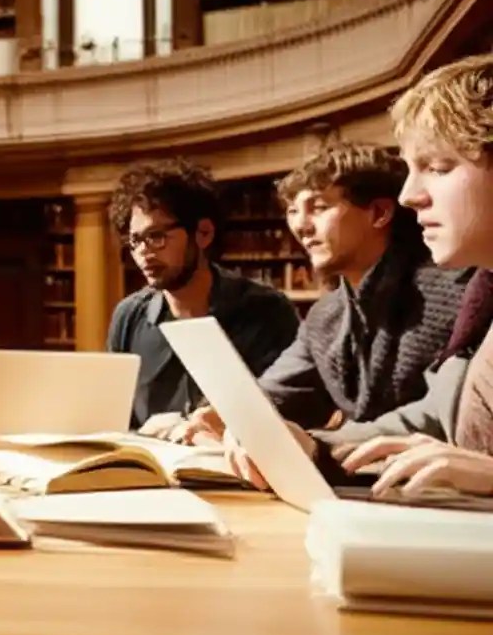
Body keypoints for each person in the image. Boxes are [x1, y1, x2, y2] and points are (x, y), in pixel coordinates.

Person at [225, 53, 493, 498]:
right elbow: (438, 418)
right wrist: (314, 448)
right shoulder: (483, 293)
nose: (410, 195)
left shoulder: (458, 290)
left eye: (439, 168)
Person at [170, 143, 467, 443]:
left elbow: (443, 416)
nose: (300, 226)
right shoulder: (326, 315)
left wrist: (321, 445)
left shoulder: (456, 293)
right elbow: (280, 389)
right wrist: (225, 414)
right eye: (293, 211)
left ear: (378, 213)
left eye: (319, 208)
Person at [106, 158, 299, 430]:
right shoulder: (128, 316)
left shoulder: (267, 311)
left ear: (204, 233)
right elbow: (115, 418)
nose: (144, 253)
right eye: (136, 241)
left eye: (157, 236)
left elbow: (290, 410)